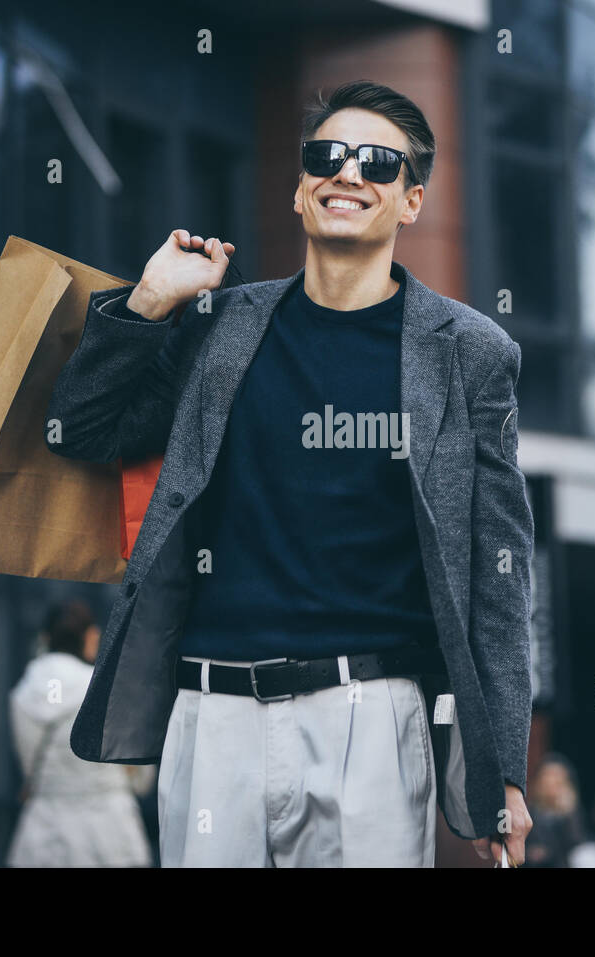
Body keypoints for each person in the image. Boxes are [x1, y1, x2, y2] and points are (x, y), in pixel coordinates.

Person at [46, 80, 534, 867]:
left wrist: (504, 771)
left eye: (378, 163)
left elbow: (500, 583)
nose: (348, 174)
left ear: (411, 202)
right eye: (326, 156)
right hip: (211, 719)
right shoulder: (219, 324)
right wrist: (148, 302)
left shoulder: (471, 354)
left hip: (371, 720)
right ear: (301, 188)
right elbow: (79, 430)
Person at [7, 600, 154, 867]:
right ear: (88, 636)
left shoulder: (23, 695)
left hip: (46, 830)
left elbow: (31, 770)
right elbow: (139, 774)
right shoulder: (104, 689)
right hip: (109, 830)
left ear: (46, 638)